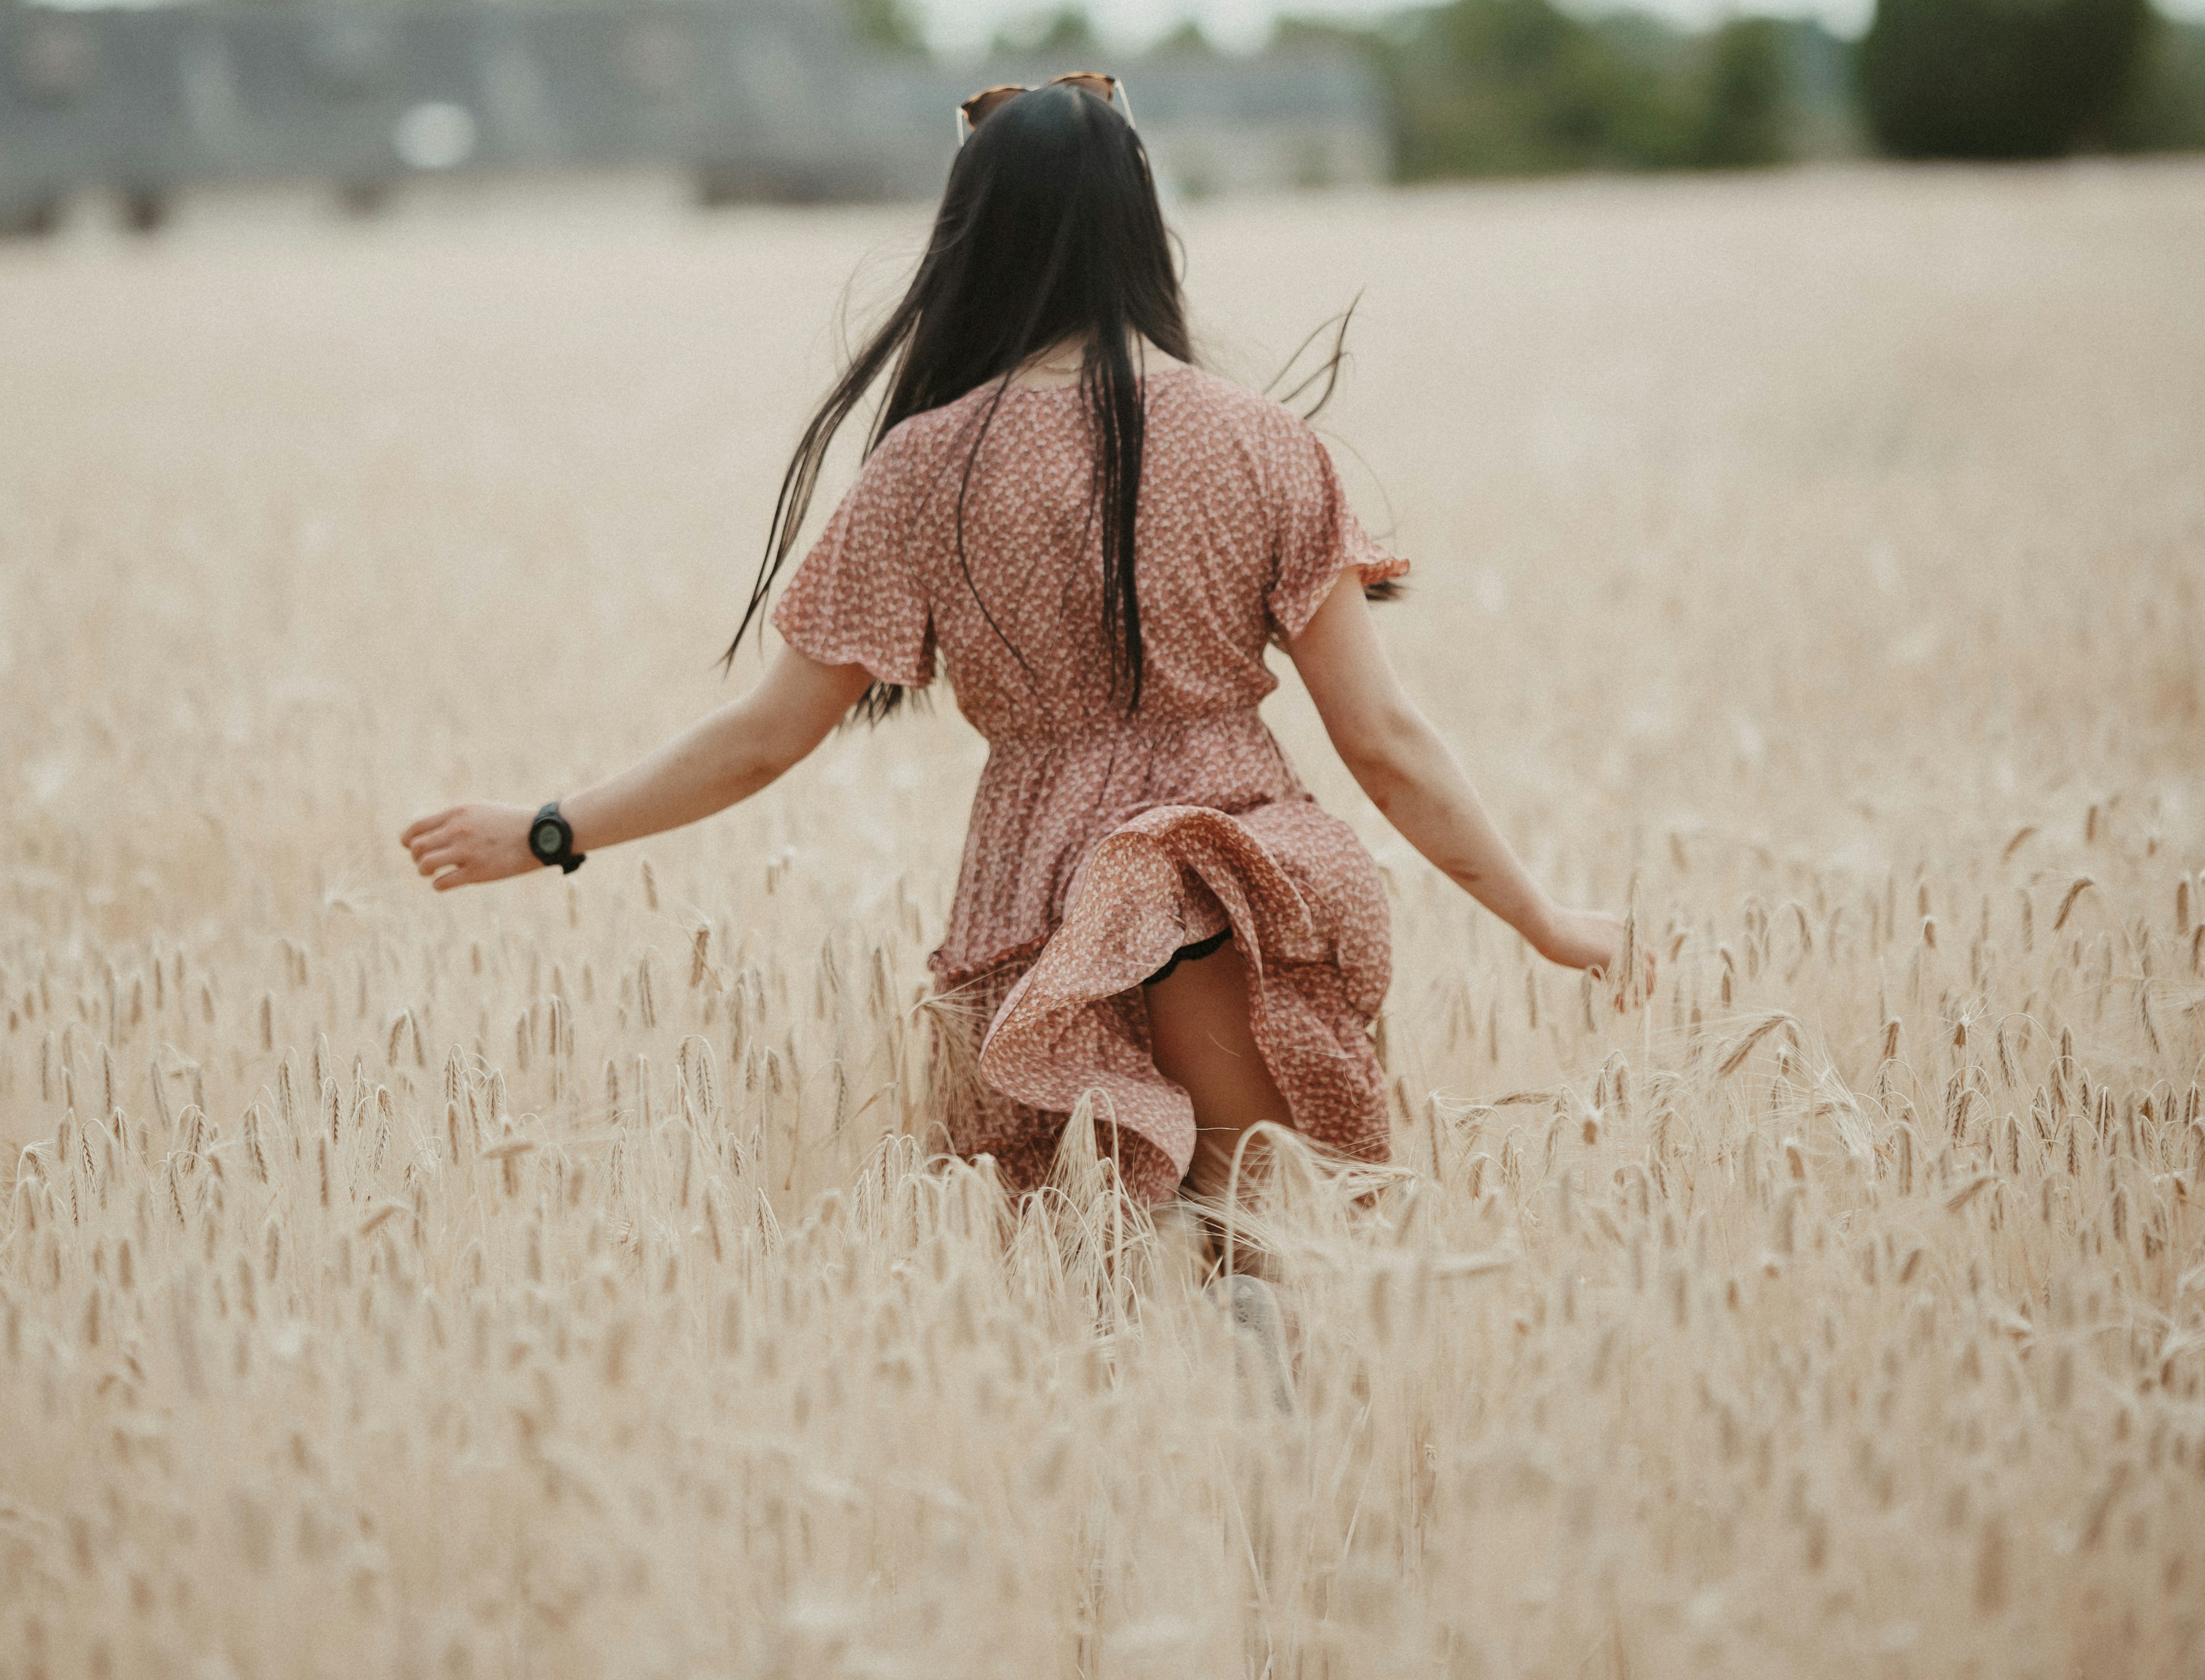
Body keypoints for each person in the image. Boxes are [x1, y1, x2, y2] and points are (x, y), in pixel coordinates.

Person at [401, 74, 1626, 1228]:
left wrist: (548, 829)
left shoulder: (924, 465)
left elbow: (762, 741)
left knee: (1079, 1301)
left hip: (1036, 898)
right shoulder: (1262, 444)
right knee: (1268, 1265)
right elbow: (1384, 741)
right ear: (1141, 223)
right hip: (1235, 880)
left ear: (969, 238)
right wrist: (1540, 918)